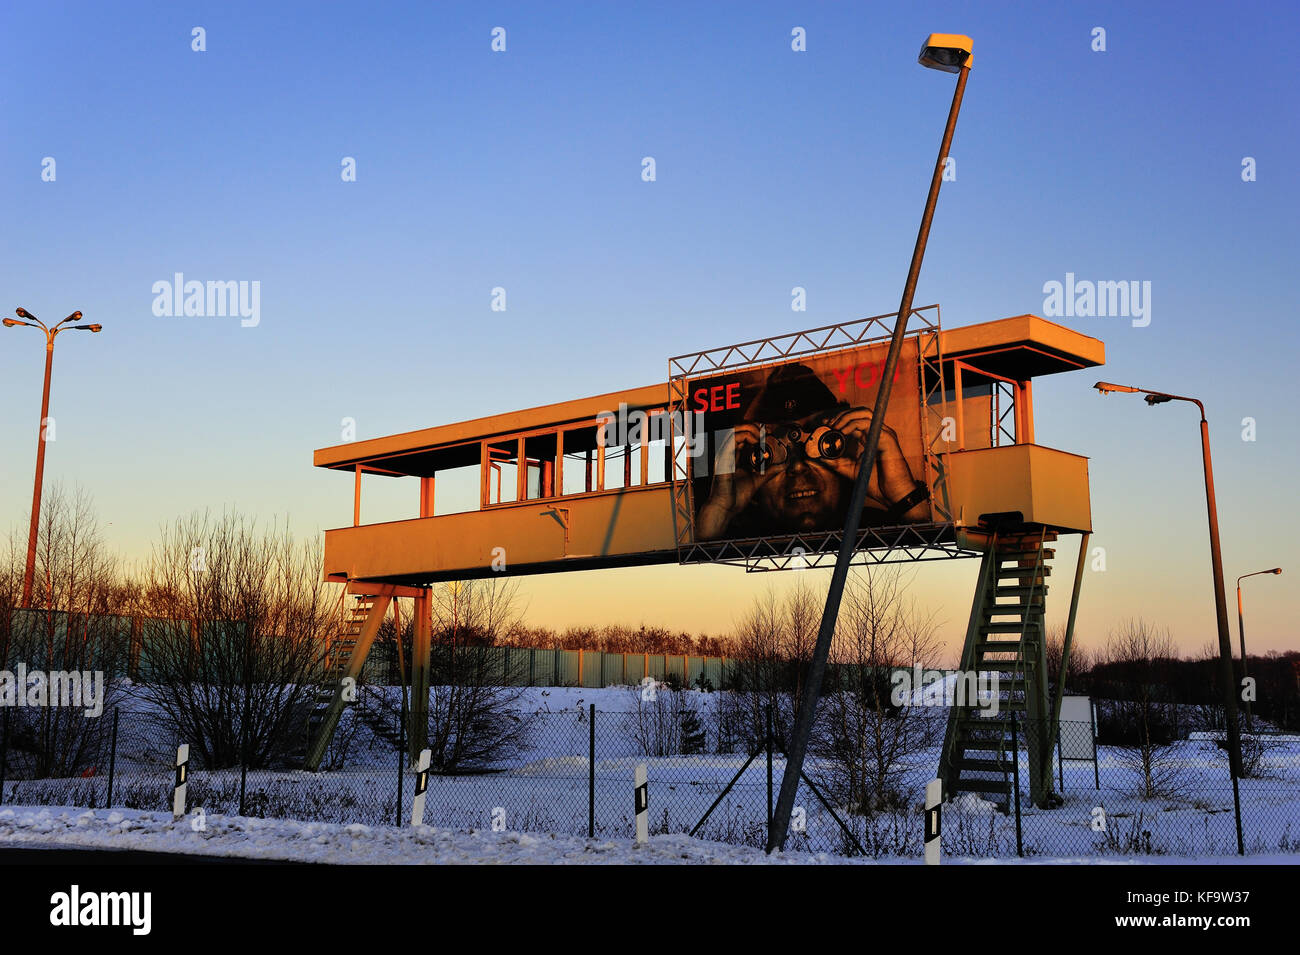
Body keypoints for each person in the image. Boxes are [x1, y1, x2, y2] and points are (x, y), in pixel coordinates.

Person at [696, 362, 929, 540]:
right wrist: (720, 509)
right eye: (774, 450)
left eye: (821, 443)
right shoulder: (735, 539)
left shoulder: (885, 527)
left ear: (845, 445)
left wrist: (902, 498)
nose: (797, 467)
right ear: (747, 463)